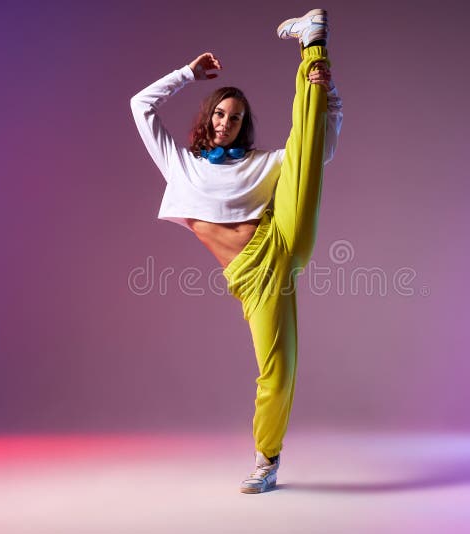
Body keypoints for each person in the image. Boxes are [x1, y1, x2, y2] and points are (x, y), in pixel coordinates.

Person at [130, 9, 342, 494]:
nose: (227, 123)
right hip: (256, 277)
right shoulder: (180, 165)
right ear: (208, 118)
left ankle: (313, 44)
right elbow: (141, 105)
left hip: (284, 235)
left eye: (237, 117)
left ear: (244, 125)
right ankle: (267, 461)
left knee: (304, 153)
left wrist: (328, 95)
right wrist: (187, 73)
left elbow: (318, 151)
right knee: (278, 367)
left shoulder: (261, 163)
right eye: (221, 114)